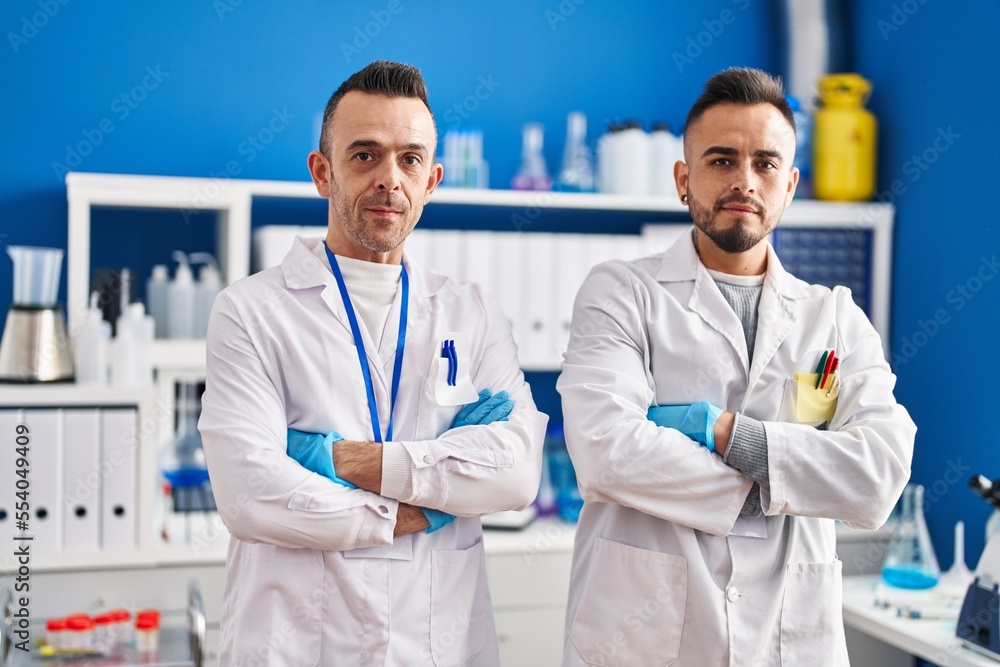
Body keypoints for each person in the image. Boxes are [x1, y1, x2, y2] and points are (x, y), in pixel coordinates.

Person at [557, 67, 915, 666]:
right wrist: (793, 479)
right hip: (644, 637)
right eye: (721, 160)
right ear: (683, 179)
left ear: (790, 184)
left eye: (765, 163)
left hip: (789, 636)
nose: (743, 181)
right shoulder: (621, 293)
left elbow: (878, 477)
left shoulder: (835, 317)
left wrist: (727, 434)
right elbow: (605, 452)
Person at [199, 60, 547, 666]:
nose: (390, 178)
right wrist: (433, 501)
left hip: (438, 643)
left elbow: (515, 476)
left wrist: (336, 460)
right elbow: (250, 493)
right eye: (365, 155)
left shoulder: (471, 312)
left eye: (410, 159)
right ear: (321, 172)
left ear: (433, 178)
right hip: (299, 645)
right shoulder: (250, 311)